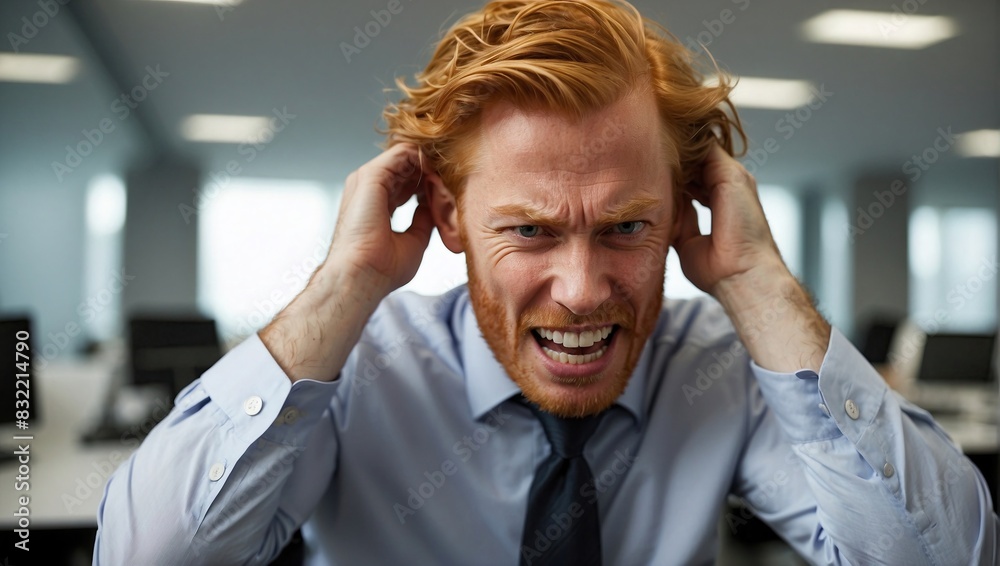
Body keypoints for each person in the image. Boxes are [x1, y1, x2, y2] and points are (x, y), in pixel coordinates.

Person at [94, 1, 997, 564]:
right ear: (447, 216)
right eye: (529, 230)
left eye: (626, 227)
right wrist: (344, 284)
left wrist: (759, 281)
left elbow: (946, 557)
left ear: (684, 212)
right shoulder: (358, 369)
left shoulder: (715, 368)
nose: (581, 289)